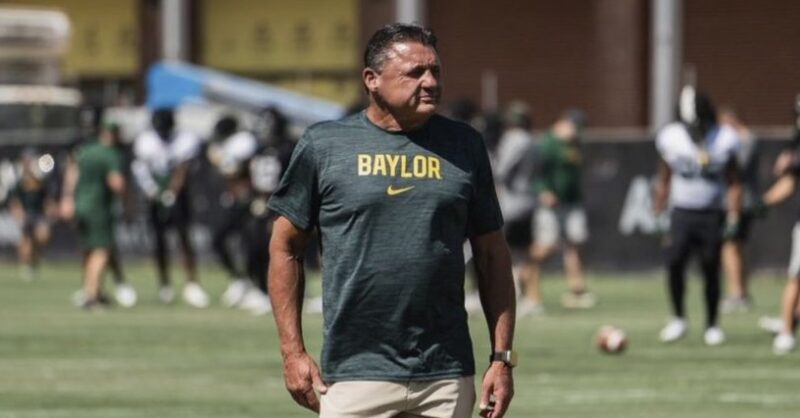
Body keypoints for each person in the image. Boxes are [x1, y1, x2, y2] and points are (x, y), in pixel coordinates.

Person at [267, 24, 516, 418]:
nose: (430, 82)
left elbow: (492, 255)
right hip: (353, 372)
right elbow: (285, 247)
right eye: (415, 73)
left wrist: (502, 359)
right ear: (372, 79)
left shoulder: (465, 144)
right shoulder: (324, 145)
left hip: (445, 374)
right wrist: (292, 352)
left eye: (435, 71)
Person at [653, 86, 742, 346]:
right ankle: (678, 318)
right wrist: (659, 211)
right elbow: (664, 177)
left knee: (710, 266)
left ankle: (712, 324)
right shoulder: (672, 137)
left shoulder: (724, 138)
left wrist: (734, 215)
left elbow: (735, 181)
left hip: (712, 212)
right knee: (674, 263)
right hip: (682, 211)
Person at [518, 109, 595, 313]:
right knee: (547, 246)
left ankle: (576, 290)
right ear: (563, 123)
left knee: (576, 242)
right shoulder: (547, 144)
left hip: (572, 202)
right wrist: (543, 191)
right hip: (550, 204)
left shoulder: (575, 144)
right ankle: (525, 275)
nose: (576, 131)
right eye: (574, 127)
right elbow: (535, 173)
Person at [132, 108, 209, 308]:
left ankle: (192, 283)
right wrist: (152, 190)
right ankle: (164, 284)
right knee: (159, 242)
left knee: (184, 238)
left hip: (179, 196)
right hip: (155, 196)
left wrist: (173, 192)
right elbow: (140, 168)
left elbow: (183, 168)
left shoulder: (185, 140)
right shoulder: (146, 141)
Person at [60, 122, 126, 309]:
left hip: (80, 206)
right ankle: (92, 296)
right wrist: (128, 198)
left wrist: (67, 199)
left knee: (89, 251)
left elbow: (71, 173)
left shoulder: (86, 151)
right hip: (99, 208)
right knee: (102, 251)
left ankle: (92, 291)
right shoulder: (110, 154)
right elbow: (117, 183)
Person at [492, 102, 537, 313]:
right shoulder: (532, 140)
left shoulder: (514, 139)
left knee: (505, 251)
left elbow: (501, 170)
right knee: (521, 252)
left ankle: (512, 295)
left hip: (511, 203)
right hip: (526, 200)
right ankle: (522, 294)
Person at [718, 108, 759, 313]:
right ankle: (740, 291)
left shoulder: (745, 140)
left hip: (740, 203)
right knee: (736, 247)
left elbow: (736, 168)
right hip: (739, 202)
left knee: (730, 246)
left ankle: (737, 293)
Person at [8, 148, 57, 280]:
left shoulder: (41, 178)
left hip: (38, 213)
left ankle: (35, 259)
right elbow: (14, 199)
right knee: (26, 240)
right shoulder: (19, 179)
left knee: (42, 236)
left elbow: (47, 197)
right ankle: (27, 265)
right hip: (26, 213)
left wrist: (50, 209)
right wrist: (18, 212)